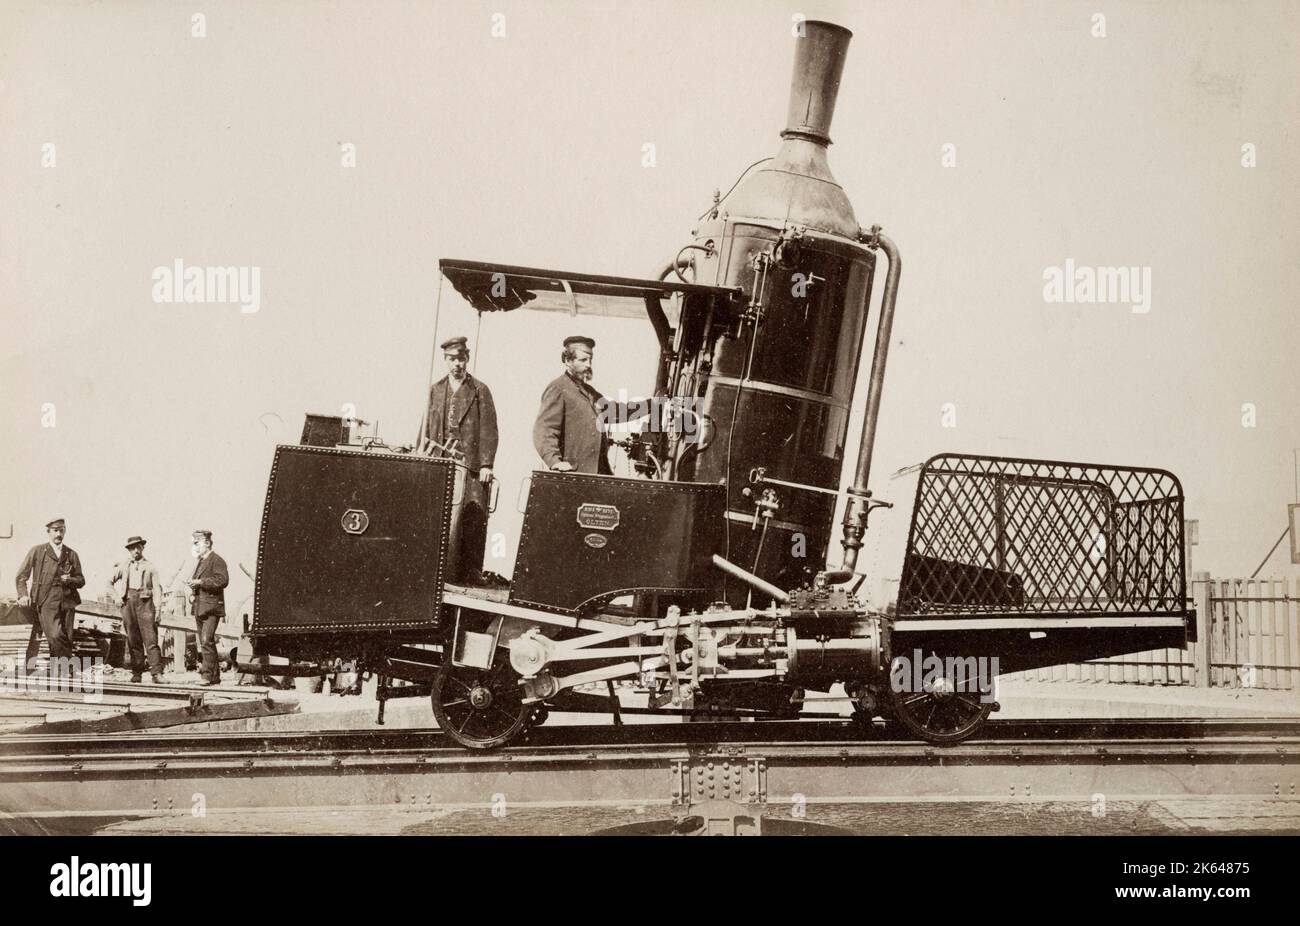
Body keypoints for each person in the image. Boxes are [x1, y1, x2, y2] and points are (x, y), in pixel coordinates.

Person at [423, 336, 498, 583]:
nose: (457, 363)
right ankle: (434, 568)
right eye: (452, 359)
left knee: (473, 514)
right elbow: (425, 428)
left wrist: (486, 464)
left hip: (470, 466)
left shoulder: (480, 390)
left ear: (467, 358)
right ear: (445, 360)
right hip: (441, 462)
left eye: (461, 358)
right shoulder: (435, 390)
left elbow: (489, 428)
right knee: (436, 514)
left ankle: (471, 570)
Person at [532, 335, 649, 474]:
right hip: (573, 474)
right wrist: (555, 462)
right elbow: (544, 431)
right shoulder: (558, 388)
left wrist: (654, 405)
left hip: (598, 473)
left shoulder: (590, 392)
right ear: (568, 361)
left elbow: (617, 412)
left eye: (590, 360)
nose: (588, 365)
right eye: (583, 360)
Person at [14, 518, 85, 672]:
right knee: (55, 635)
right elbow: (21, 577)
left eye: (62, 530)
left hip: (67, 601)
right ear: (48, 532)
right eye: (55, 530)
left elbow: (81, 580)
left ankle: (59, 675)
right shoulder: (38, 551)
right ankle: (69, 667)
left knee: (66, 636)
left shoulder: (71, 554)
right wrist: (23, 595)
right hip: (45, 599)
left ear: (65, 531)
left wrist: (70, 580)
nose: (59, 534)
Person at [106, 536, 165, 684]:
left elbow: (157, 588)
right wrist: (117, 598)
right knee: (133, 640)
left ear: (143, 548)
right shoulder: (124, 566)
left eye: (138, 547)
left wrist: (158, 609)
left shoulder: (150, 566)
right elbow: (108, 582)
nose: (136, 550)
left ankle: (156, 674)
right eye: (132, 548)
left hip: (146, 603)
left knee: (151, 639)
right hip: (128, 603)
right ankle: (137, 673)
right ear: (129, 550)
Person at [182, 530, 228, 686]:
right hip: (200, 607)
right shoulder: (200, 562)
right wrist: (193, 589)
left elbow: (222, 580)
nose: (194, 547)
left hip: (212, 608)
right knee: (206, 642)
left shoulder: (217, 560)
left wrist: (200, 582)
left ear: (207, 543)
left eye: (197, 543)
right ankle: (215, 677)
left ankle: (207, 676)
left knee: (206, 640)